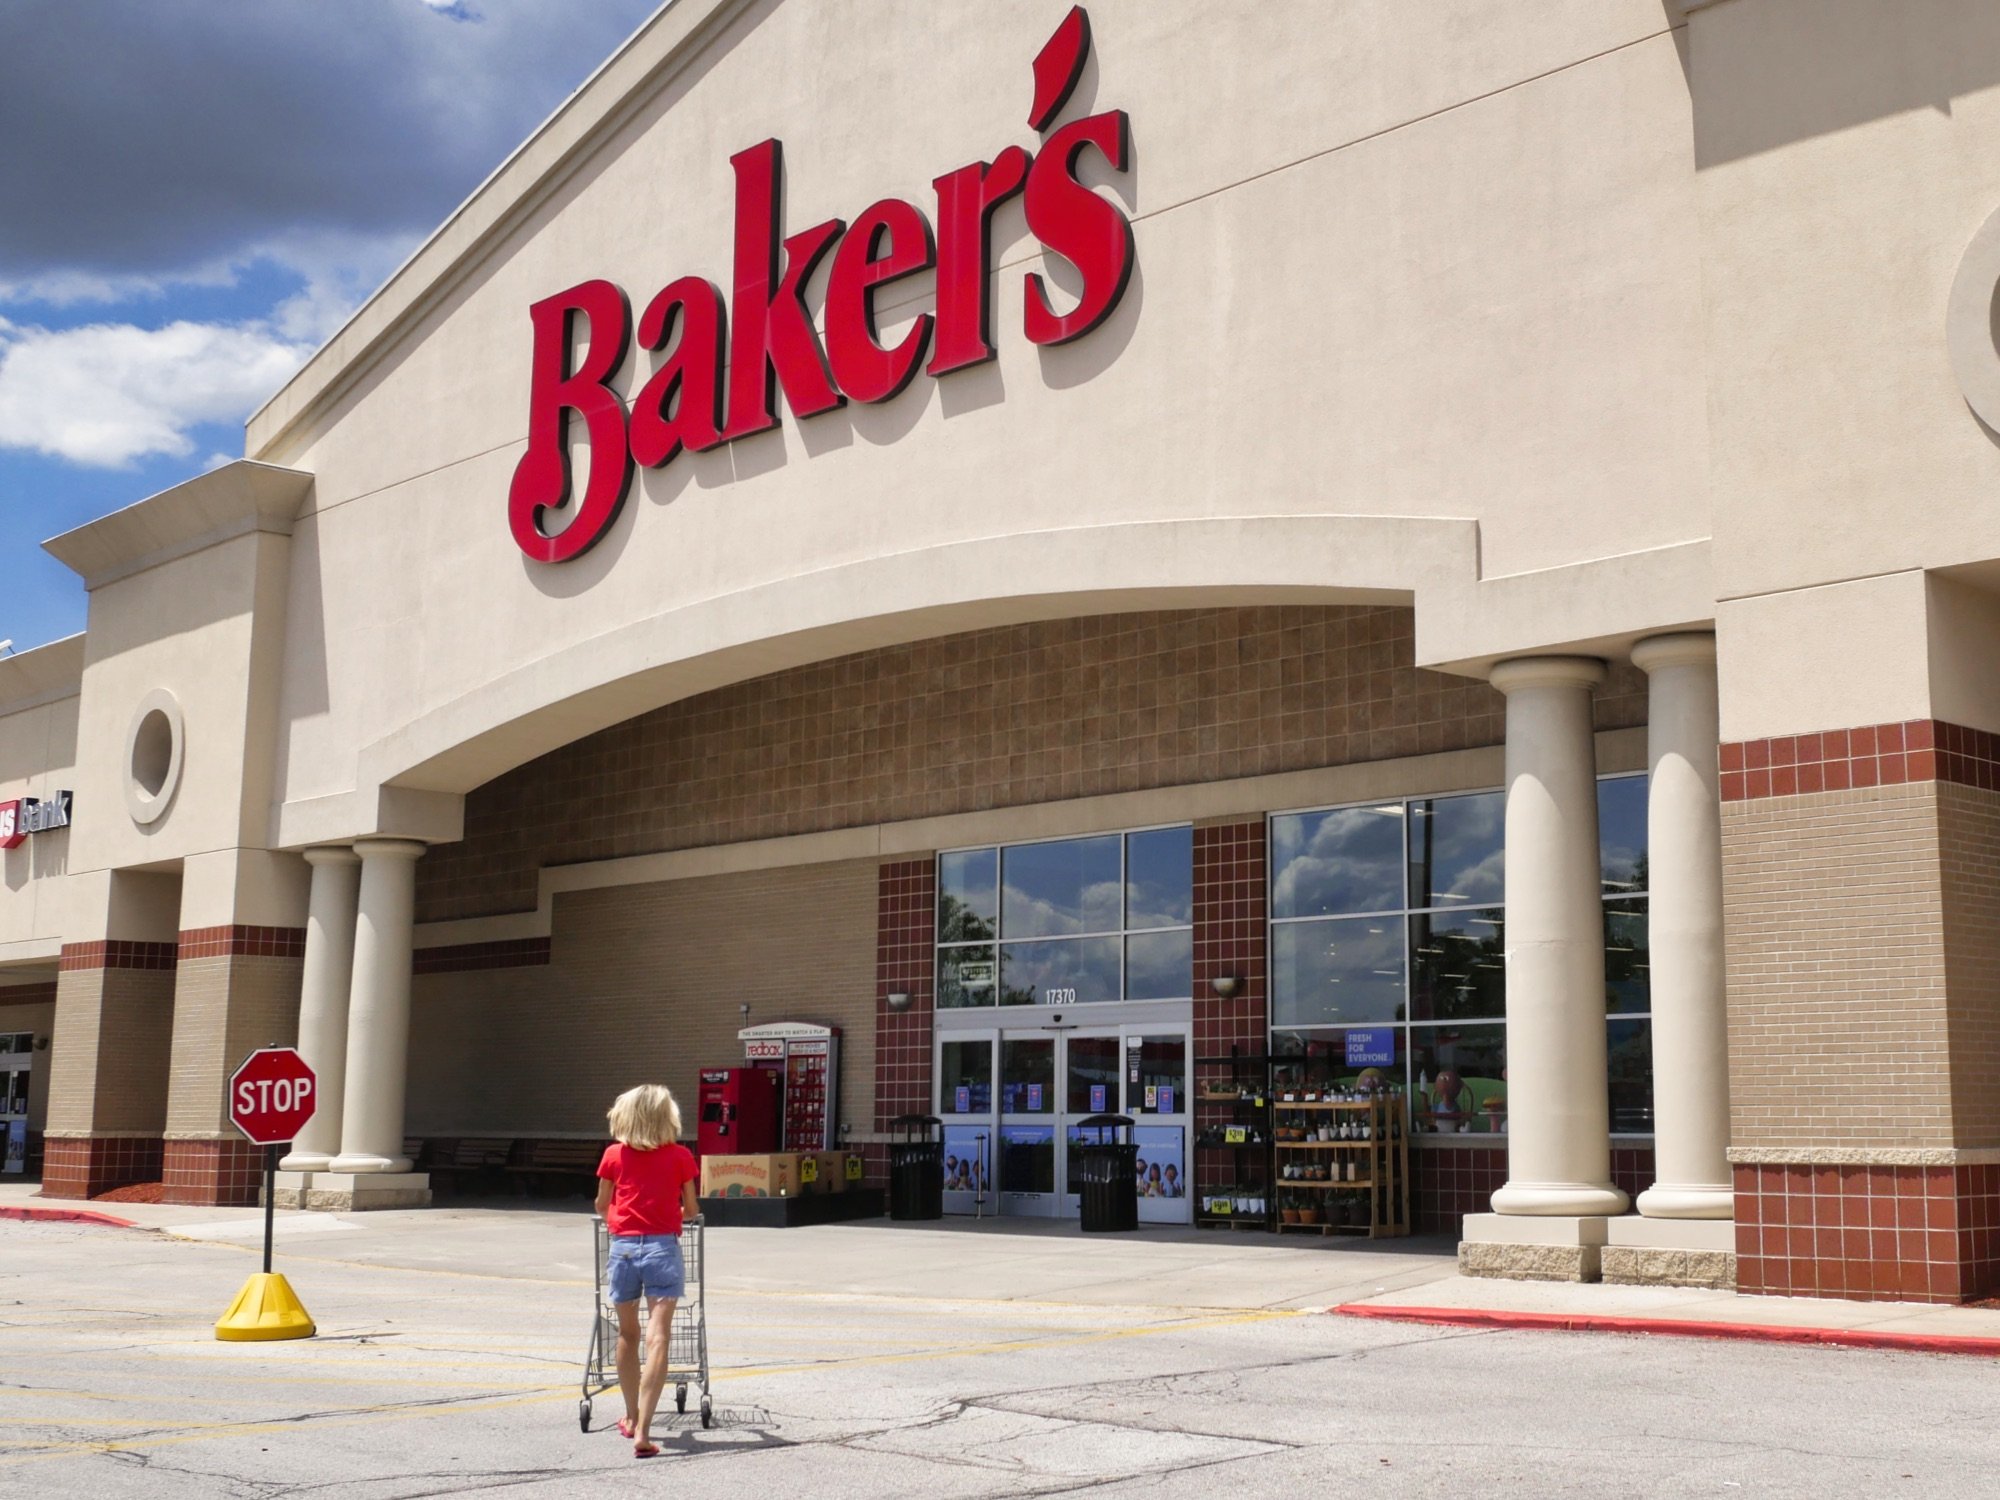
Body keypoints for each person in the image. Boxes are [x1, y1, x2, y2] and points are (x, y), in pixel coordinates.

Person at [596, 1083, 700, 1460]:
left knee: (628, 1333)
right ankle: (644, 1430)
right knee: (659, 1337)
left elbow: (601, 1204)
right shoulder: (680, 1156)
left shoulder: (613, 1154)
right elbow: (690, 1210)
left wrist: (620, 1222)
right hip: (663, 1248)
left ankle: (629, 1414)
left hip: (623, 1249)